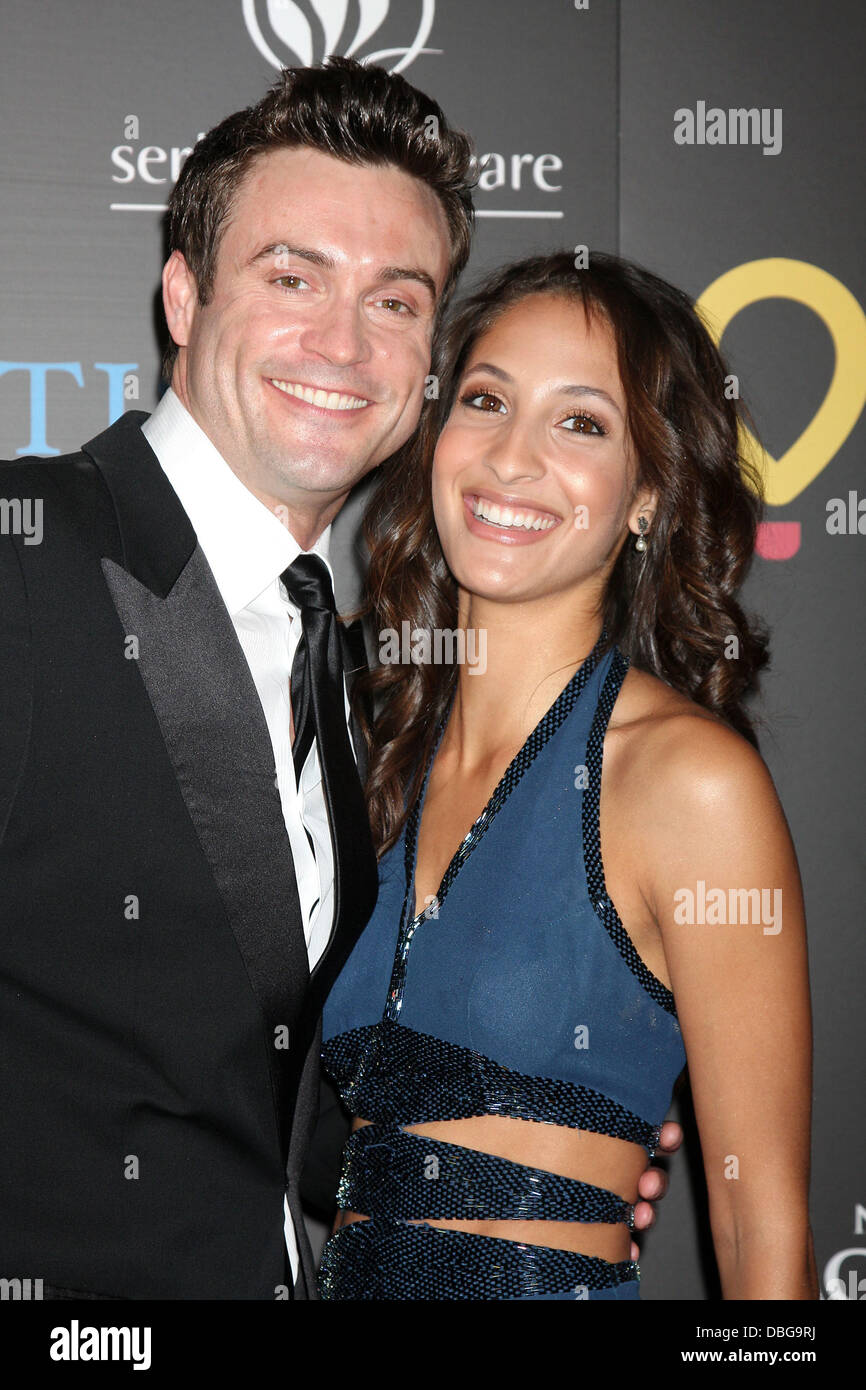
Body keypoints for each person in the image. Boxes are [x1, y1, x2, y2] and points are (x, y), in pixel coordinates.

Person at [0, 60, 680, 1301]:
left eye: (395, 299)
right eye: (292, 276)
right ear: (183, 294)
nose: (342, 341)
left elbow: (263, 1097)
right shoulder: (24, 560)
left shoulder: (367, 677)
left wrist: (513, 1157)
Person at [318, 250, 819, 1300]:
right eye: (486, 400)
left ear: (644, 495)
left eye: (579, 423)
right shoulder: (363, 743)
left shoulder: (687, 783)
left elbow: (754, 1220)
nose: (510, 458)